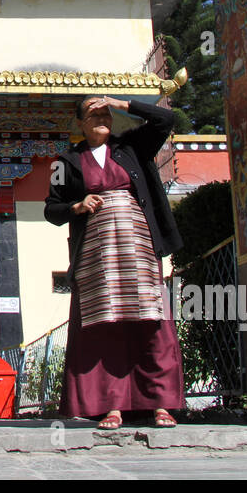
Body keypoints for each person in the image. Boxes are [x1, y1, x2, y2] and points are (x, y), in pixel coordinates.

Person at [44, 95, 185, 430]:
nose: (102, 118)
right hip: (97, 253)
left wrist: (122, 103)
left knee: (150, 320)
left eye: (106, 113)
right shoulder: (66, 161)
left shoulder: (132, 146)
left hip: (139, 246)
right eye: (94, 115)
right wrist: (76, 206)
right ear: (80, 122)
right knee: (107, 325)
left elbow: (166, 120)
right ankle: (112, 405)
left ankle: (160, 403)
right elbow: (51, 209)